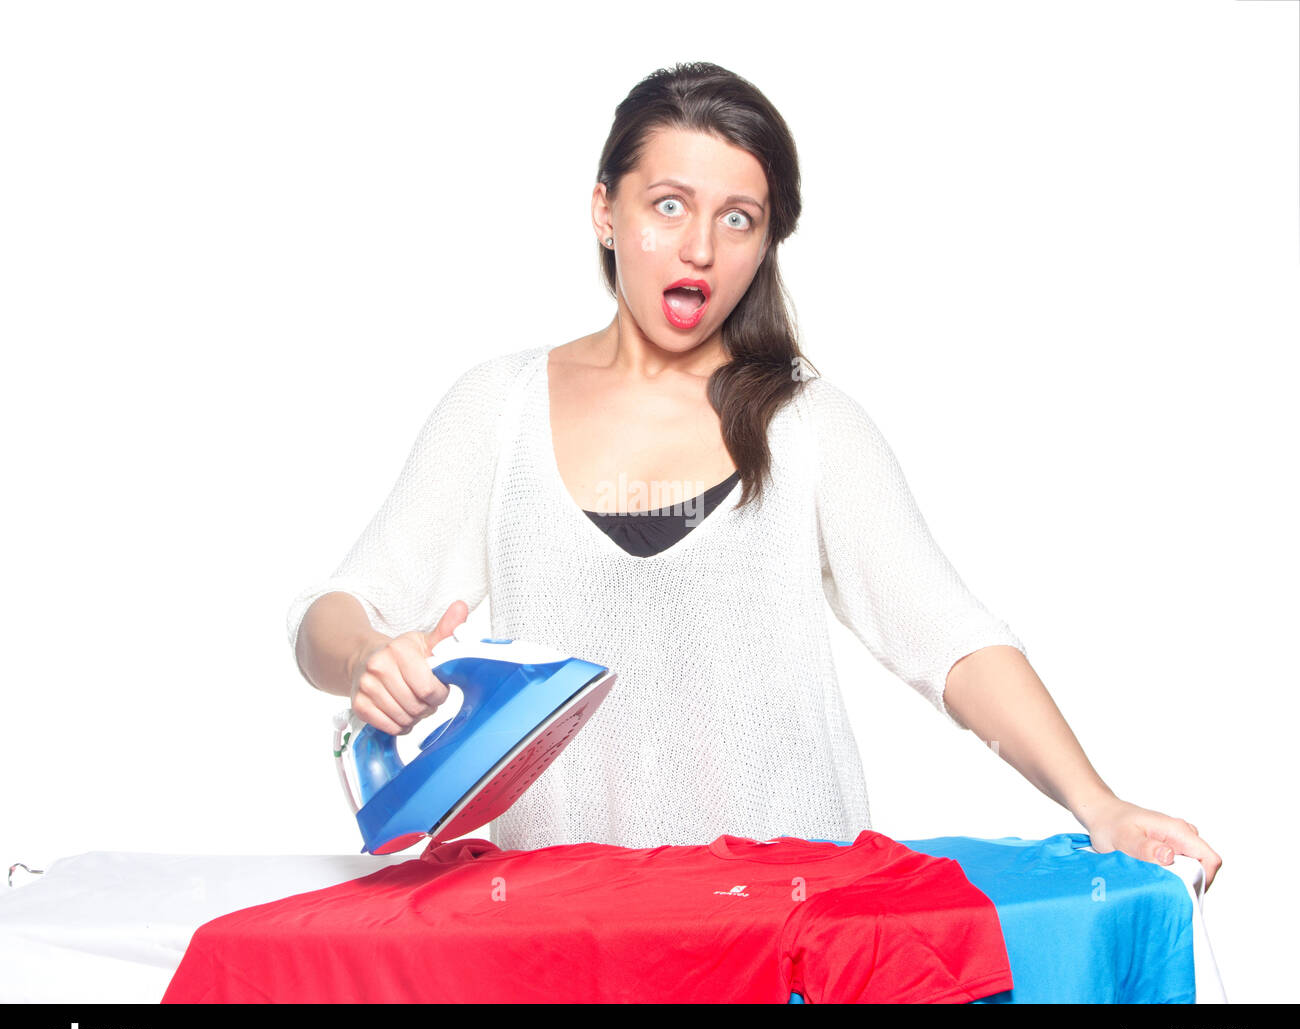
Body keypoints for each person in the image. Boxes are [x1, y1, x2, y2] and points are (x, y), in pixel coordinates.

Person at [289, 61, 1221, 888]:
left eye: (738, 219)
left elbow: (952, 640)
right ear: (603, 209)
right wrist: (369, 657)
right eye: (668, 205)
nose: (700, 247)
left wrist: (1097, 802)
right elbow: (333, 612)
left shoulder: (809, 425)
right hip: (570, 931)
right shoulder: (496, 410)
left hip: (786, 928)